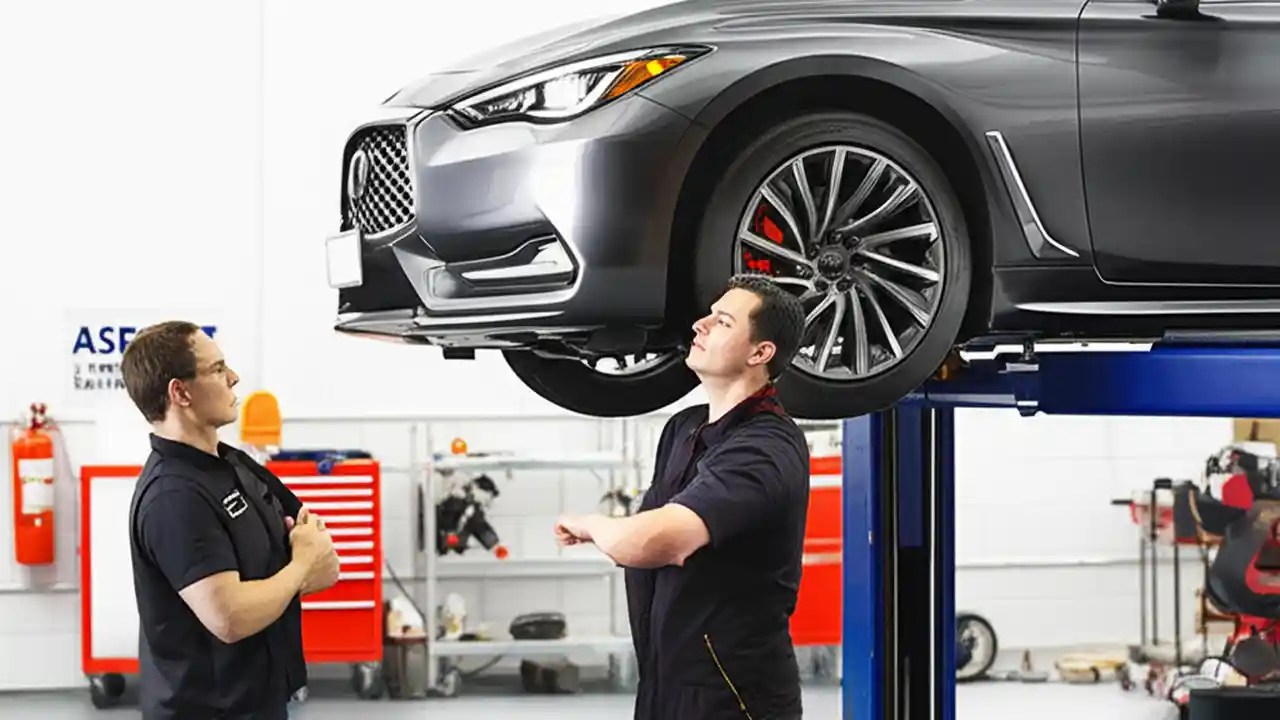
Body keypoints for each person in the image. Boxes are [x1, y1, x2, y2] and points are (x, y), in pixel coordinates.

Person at [554, 274, 810, 719]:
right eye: (708, 315)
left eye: (723, 321)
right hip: (664, 682)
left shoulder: (767, 447)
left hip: (732, 697)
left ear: (760, 352)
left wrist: (594, 525)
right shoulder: (685, 428)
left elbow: (660, 542)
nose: (700, 325)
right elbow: (646, 531)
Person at [120, 321, 341, 719]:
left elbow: (315, 549)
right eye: (218, 369)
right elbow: (230, 617)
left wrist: (303, 565)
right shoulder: (174, 497)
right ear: (180, 392)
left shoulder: (233, 465)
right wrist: (303, 566)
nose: (234, 378)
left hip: (260, 700)